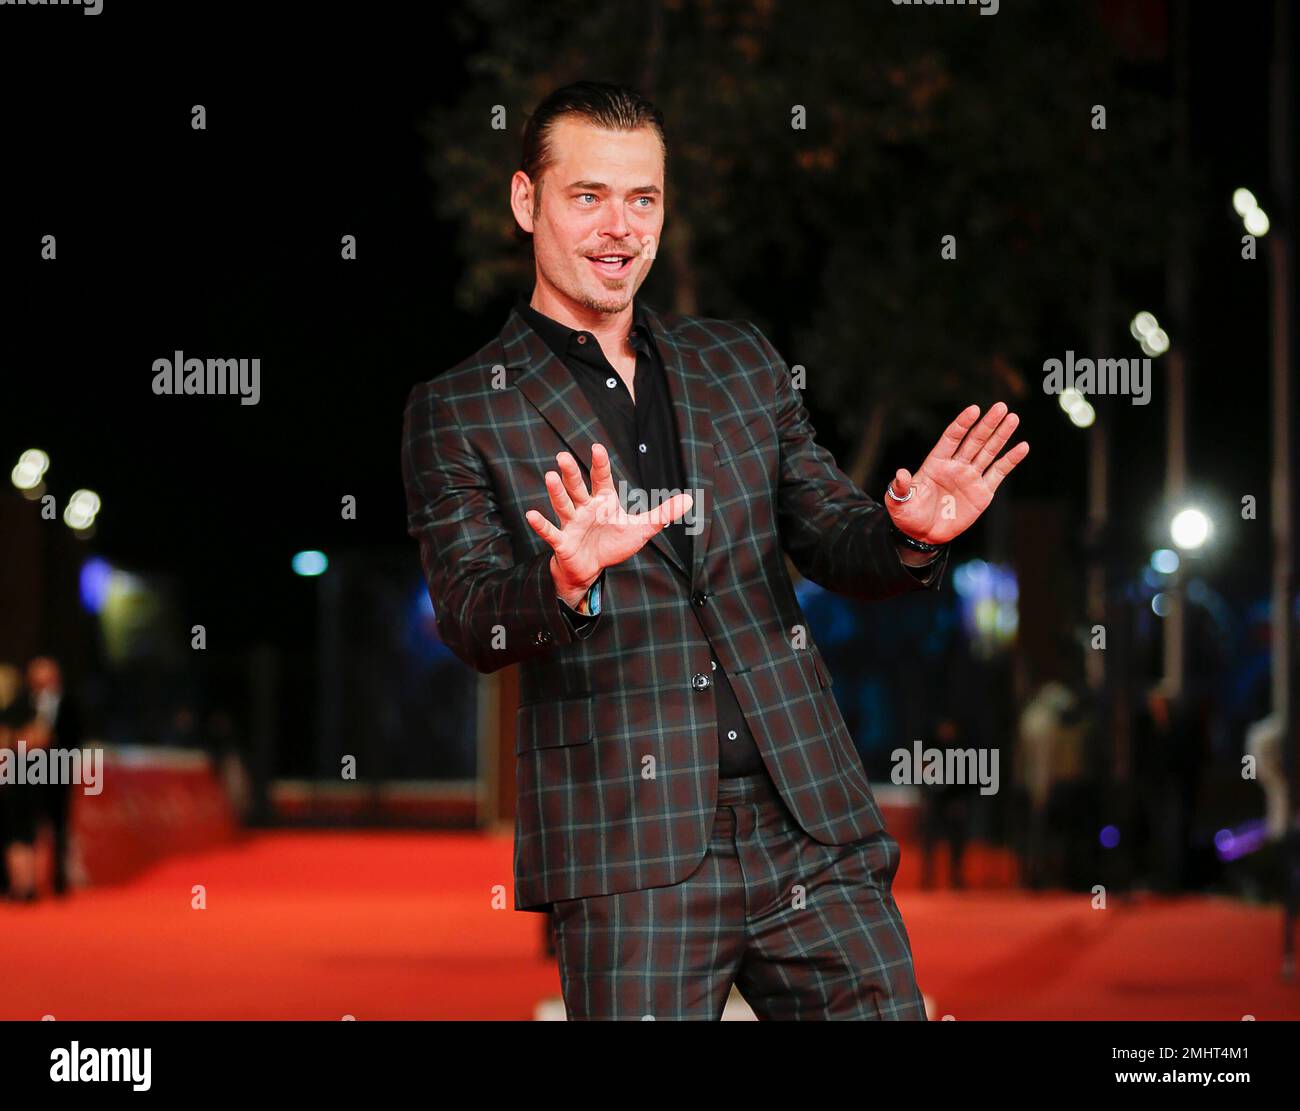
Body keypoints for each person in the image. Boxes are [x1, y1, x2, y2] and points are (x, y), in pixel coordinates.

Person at [402, 81, 1029, 1019]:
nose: (620, 227)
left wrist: (905, 533)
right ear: (526, 201)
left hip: (809, 823)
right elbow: (471, 619)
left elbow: (833, 536)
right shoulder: (461, 408)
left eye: (643, 198)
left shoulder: (739, 362)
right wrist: (563, 580)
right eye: (589, 197)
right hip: (630, 856)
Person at [27, 657, 81, 896]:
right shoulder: (23, 703)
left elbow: (77, 735)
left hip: (59, 771)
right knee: (28, 827)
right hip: (26, 773)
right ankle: (26, 882)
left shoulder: (69, 703)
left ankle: (59, 880)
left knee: (59, 828)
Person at [0, 662, 48, 903]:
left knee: (18, 834)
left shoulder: (15, 710)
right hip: (26, 776)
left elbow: (36, 739)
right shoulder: (26, 708)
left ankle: (23, 886)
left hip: (17, 778)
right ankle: (24, 886)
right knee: (22, 833)